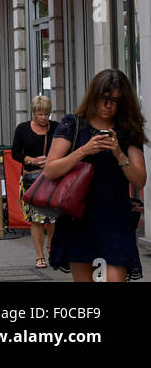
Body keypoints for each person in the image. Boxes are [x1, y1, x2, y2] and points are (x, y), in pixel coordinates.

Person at [44, 69, 146, 282]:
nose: (109, 106)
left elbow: (139, 180)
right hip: (78, 216)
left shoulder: (127, 129)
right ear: (94, 96)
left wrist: (119, 153)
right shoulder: (74, 124)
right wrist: (84, 150)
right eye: (104, 99)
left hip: (115, 216)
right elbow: (50, 170)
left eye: (116, 101)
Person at [12, 95, 59, 271]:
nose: (44, 118)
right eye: (40, 114)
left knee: (54, 219)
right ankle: (40, 255)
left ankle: (51, 248)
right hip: (31, 179)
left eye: (47, 114)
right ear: (33, 113)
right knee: (36, 220)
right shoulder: (23, 129)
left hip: (53, 178)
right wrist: (31, 160)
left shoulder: (56, 128)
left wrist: (52, 161)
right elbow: (16, 152)